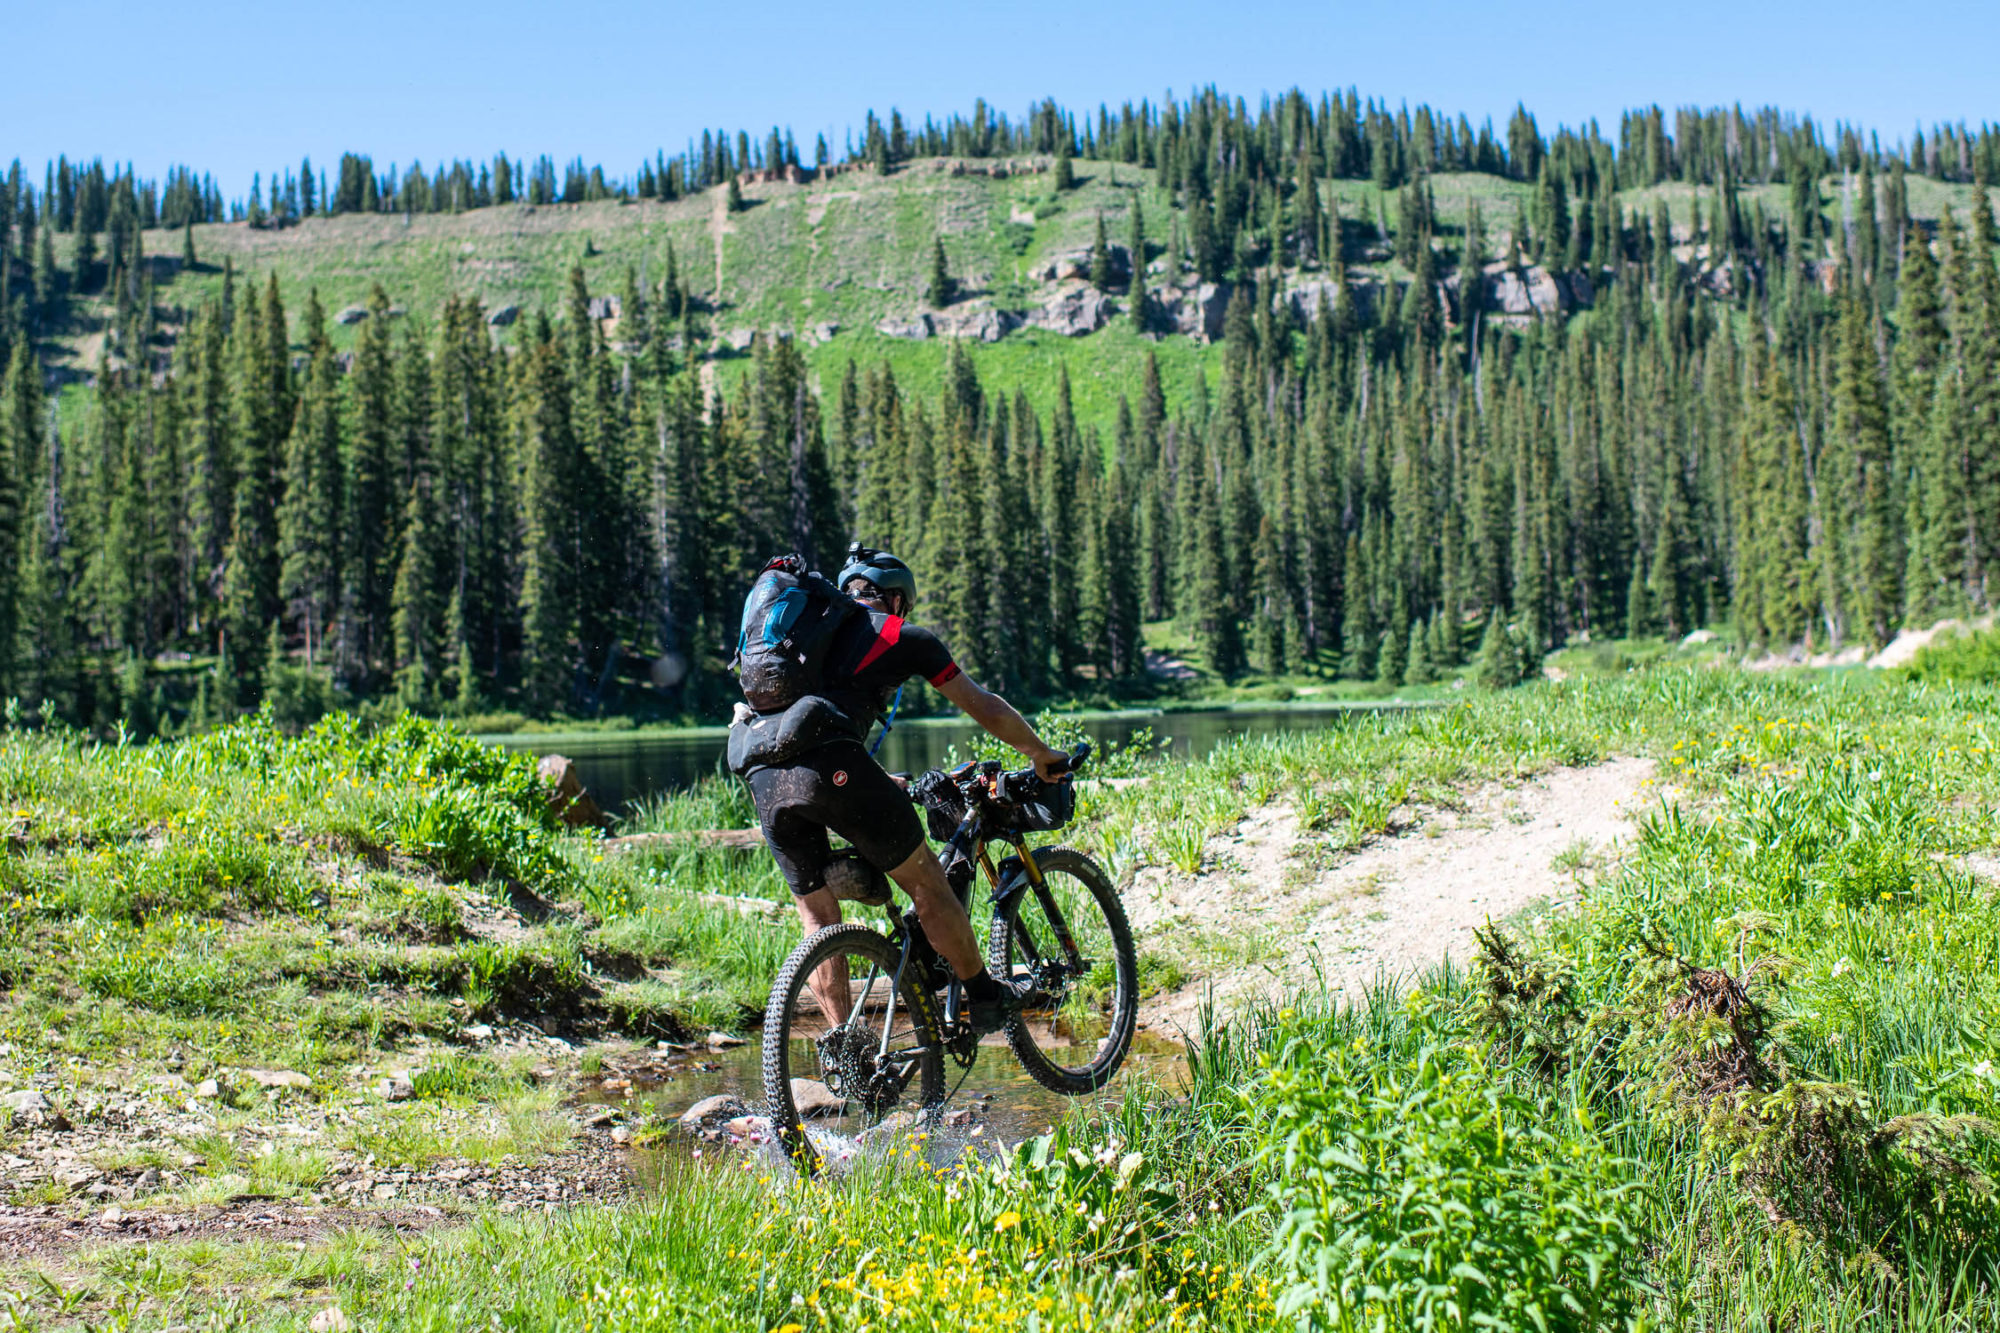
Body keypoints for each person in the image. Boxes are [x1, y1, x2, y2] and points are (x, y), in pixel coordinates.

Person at [741, 544, 1069, 1033]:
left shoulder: (810, 639)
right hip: (831, 764)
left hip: (761, 769)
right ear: (896, 600)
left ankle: (845, 1048)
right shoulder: (898, 635)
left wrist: (884, 780)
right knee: (927, 884)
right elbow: (982, 705)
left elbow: (815, 722)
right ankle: (984, 999)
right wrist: (1041, 754)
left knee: (816, 916)